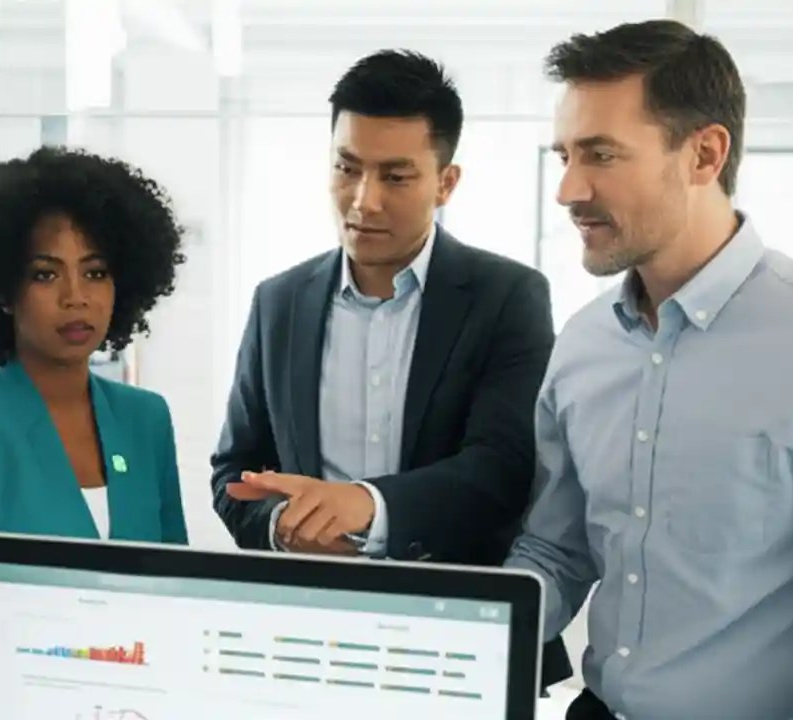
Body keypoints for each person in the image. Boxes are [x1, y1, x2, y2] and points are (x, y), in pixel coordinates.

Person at [505, 19, 793, 720]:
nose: (567, 188)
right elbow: (558, 553)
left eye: (600, 155)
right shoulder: (584, 345)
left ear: (705, 154)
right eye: (564, 153)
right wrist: (444, 642)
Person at [210, 49, 571, 687]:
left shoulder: (507, 296)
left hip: (459, 640)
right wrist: (287, 529)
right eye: (346, 168)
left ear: (446, 182)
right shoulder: (279, 302)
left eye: (396, 177)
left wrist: (368, 508)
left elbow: (505, 467)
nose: (363, 199)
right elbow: (233, 473)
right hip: (307, 638)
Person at [0, 146, 188, 545]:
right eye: (45, 275)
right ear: (1, 290)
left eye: (95, 272)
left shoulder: (146, 418)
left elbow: (174, 583)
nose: (76, 297)